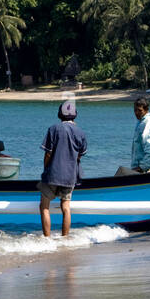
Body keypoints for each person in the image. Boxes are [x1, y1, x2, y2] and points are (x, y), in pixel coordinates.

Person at [39, 99, 87, 237]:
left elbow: (48, 153)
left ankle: (47, 239)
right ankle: (65, 238)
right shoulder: (80, 132)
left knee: (44, 207)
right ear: (75, 115)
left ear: (59, 114)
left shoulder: (53, 129)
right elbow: (79, 156)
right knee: (66, 208)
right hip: (70, 176)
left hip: (52, 175)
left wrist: (45, 170)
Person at [128, 96, 150, 173]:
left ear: (146, 110)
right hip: (141, 165)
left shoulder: (147, 125)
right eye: (135, 110)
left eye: (140, 110)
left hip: (145, 167)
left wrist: (141, 167)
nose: (137, 113)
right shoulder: (141, 122)